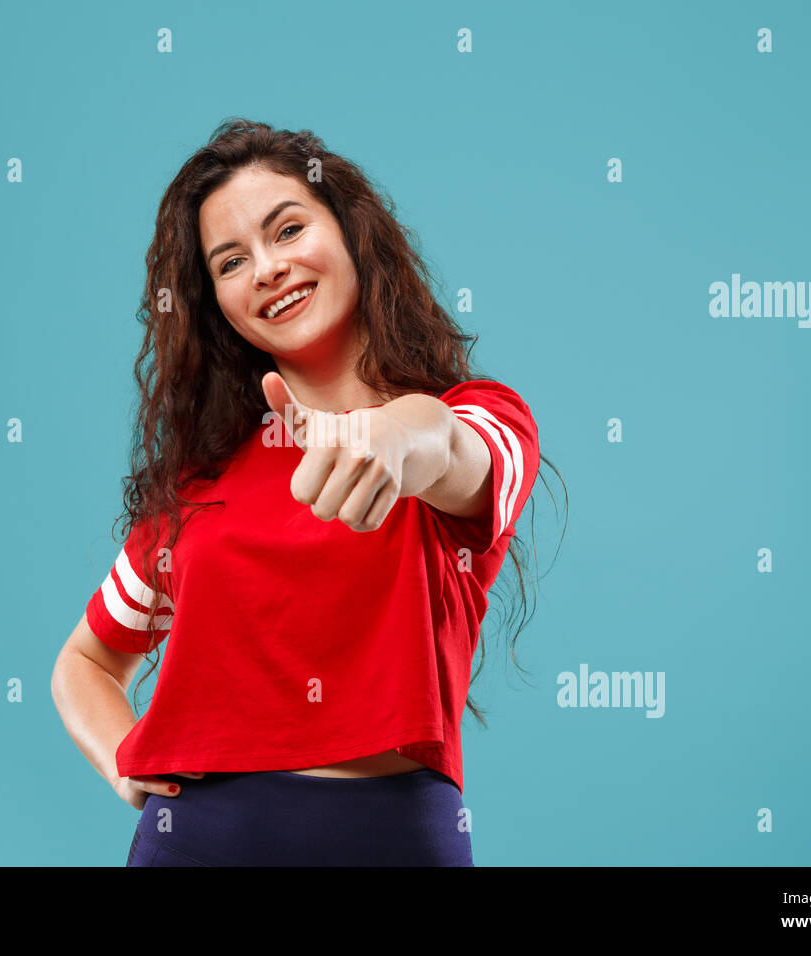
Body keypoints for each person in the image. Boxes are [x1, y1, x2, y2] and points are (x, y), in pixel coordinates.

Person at [51, 118, 562, 866]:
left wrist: (391, 438)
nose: (266, 268)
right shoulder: (197, 489)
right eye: (231, 261)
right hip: (195, 844)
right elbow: (86, 663)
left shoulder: (479, 417)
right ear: (215, 301)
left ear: (352, 233)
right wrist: (125, 756)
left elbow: (450, 447)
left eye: (287, 229)